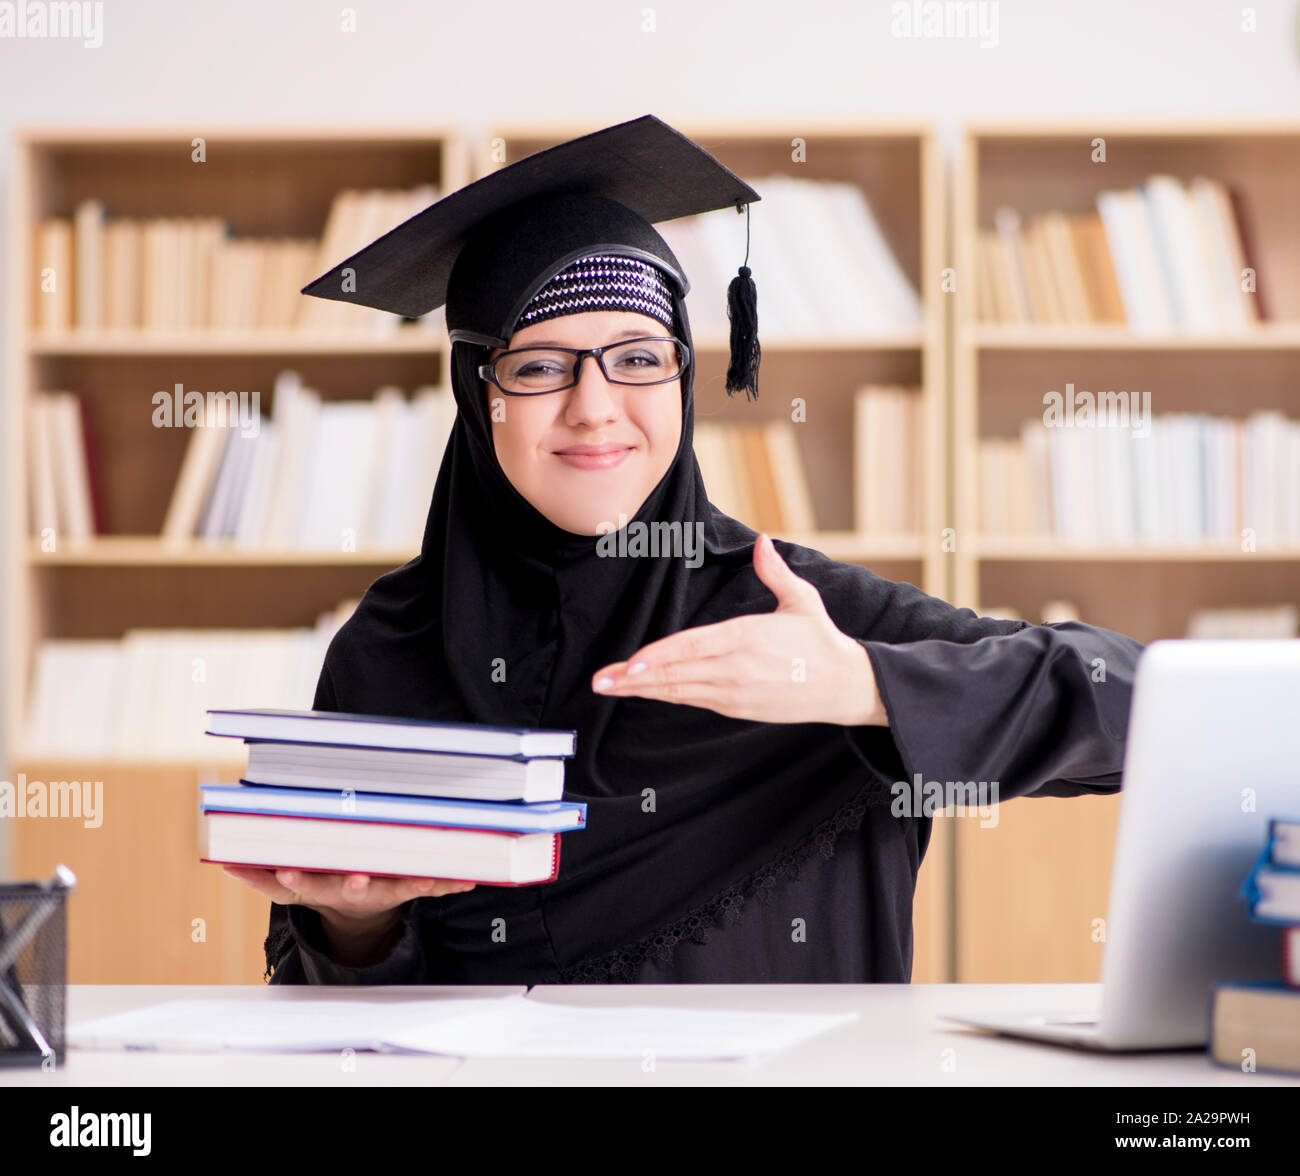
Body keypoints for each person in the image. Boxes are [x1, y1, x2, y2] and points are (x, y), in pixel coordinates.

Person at [225, 115, 1144, 985]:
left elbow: (1144, 708)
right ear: (478, 395)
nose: (595, 406)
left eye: (637, 357)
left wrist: (862, 689)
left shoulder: (792, 619)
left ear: (685, 377)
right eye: (539, 367)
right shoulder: (387, 649)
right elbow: (327, 1006)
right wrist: (356, 924)